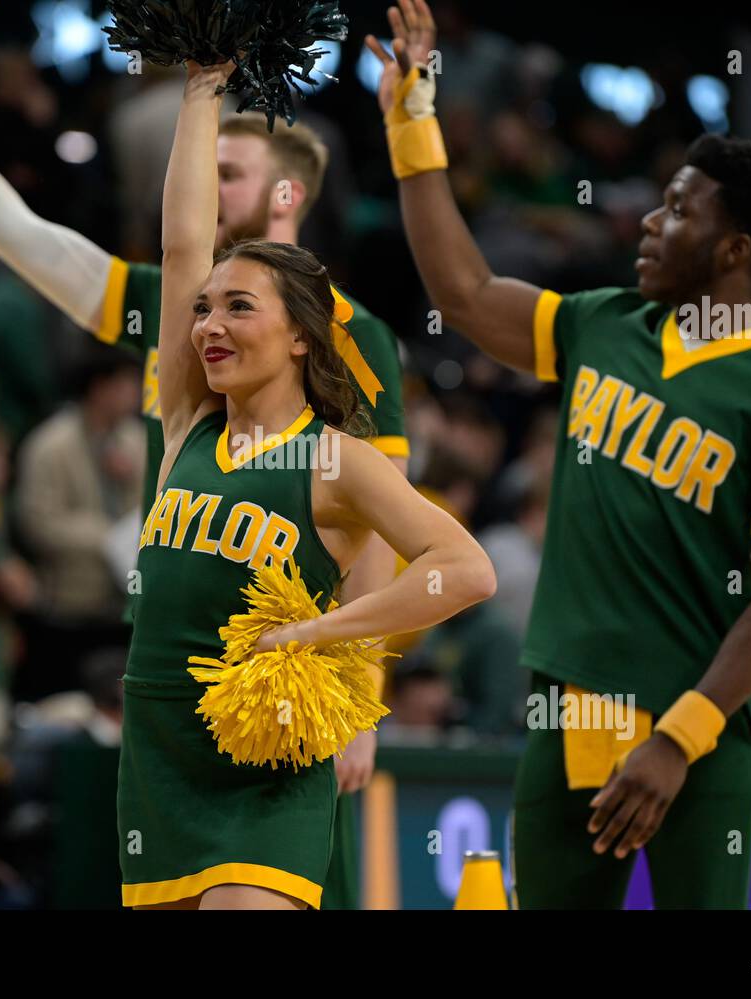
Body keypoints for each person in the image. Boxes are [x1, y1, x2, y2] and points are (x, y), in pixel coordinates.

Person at [0, 15, 411, 908]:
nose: (201, 177)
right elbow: (12, 229)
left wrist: (361, 692)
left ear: (287, 196)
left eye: (227, 171)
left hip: (277, 682)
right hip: (168, 664)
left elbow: (380, 537)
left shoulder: (360, 344)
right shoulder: (163, 309)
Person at [368, 0, 751, 908]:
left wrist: (680, 737)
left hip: (696, 733)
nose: (646, 224)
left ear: (734, 250)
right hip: (572, 706)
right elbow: (465, 292)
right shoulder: (603, 323)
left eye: (676, 211)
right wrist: (411, 123)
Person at [116, 59, 494, 911]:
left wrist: (326, 635)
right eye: (205, 309)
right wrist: (201, 88)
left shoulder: (336, 457)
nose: (209, 324)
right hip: (160, 744)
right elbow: (183, 243)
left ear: (297, 337)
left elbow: (465, 569)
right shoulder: (185, 422)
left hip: (270, 756)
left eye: (239, 307)